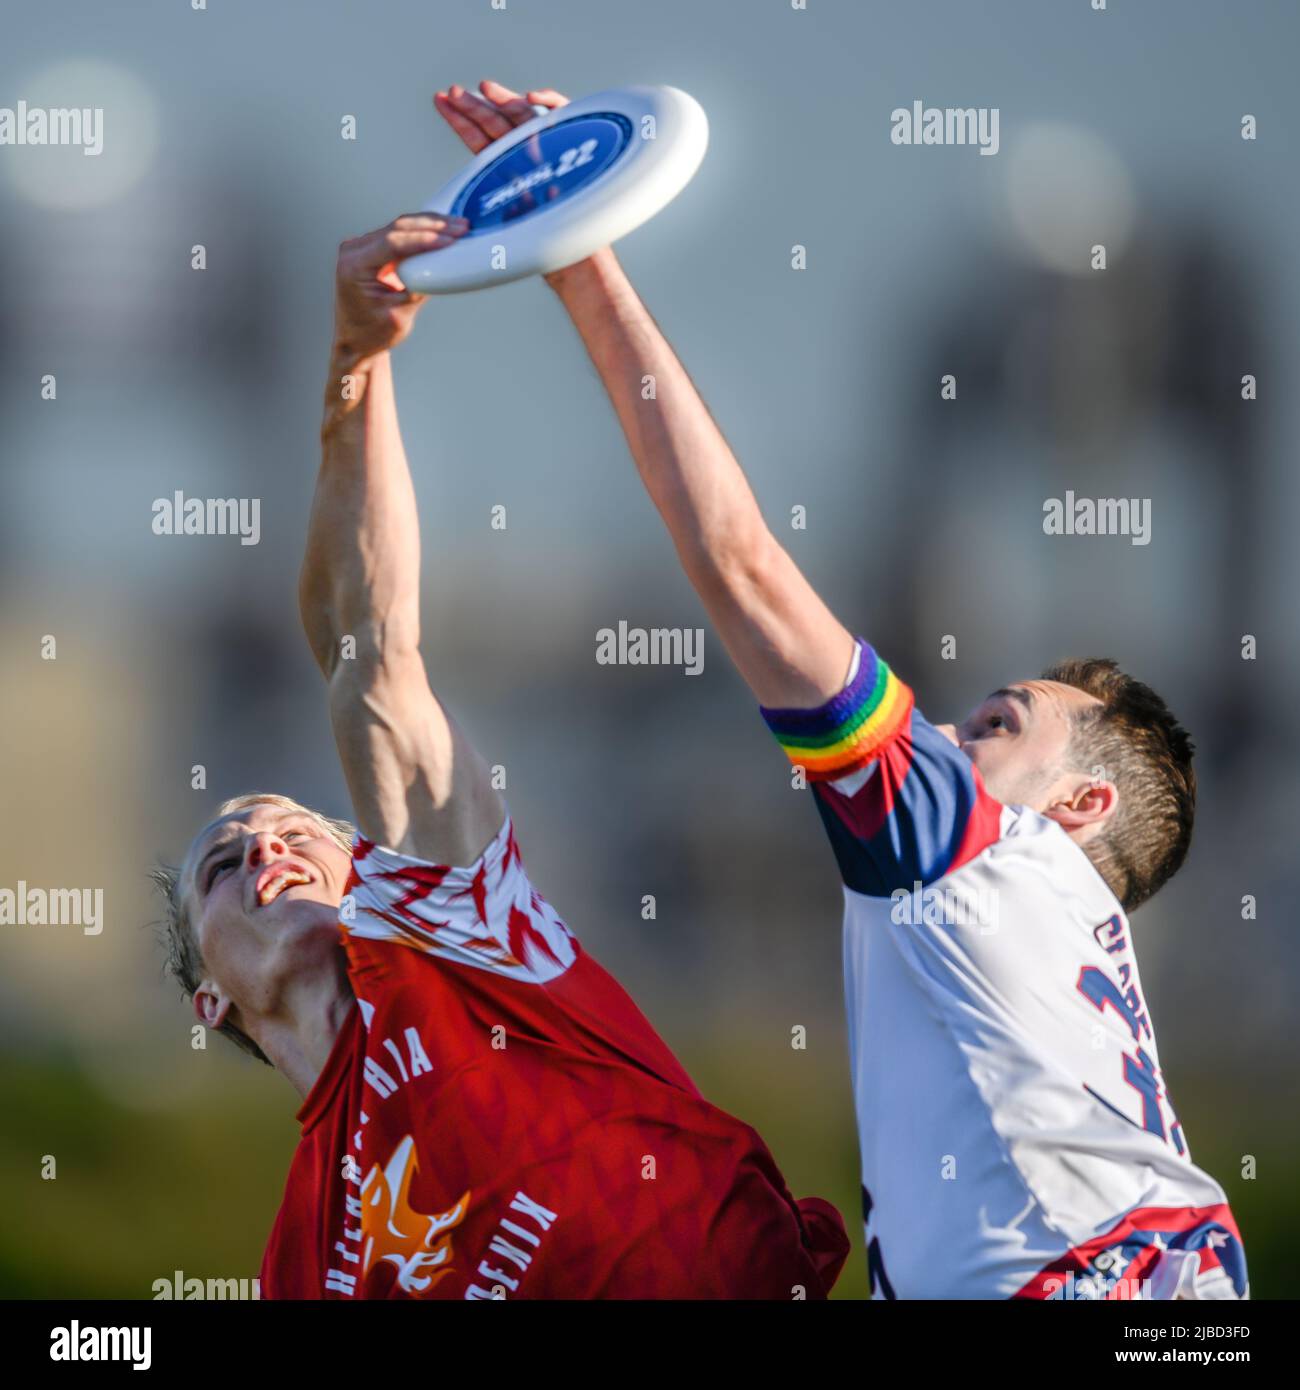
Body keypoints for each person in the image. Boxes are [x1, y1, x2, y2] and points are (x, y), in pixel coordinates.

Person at [441, 75, 1252, 1300]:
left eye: (998, 723)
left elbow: (741, 565)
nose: (945, 728)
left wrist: (580, 259)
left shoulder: (979, 851)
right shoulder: (1050, 961)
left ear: (1078, 807)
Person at [149, 85, 849, 1299]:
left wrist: (352, 368)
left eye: (297, 829)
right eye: (224, 861)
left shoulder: (449, 932)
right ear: (211, 996)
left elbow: (366, 647)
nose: (268, 842)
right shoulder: (299, 1261)